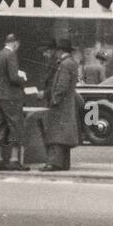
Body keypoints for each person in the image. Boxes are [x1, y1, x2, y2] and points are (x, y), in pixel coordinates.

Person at [0, 33, 29, 171]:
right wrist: (22, 78)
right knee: (15, 126)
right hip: (12, 97)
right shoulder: (11, 55)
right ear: (15, 43)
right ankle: (14, 159)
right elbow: (13, 77)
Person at [40, 39, 82, 172]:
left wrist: (54, 99)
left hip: (60, 105)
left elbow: (61, 86)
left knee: (56, 134)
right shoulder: (72, 63)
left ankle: (53, 163)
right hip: (68, 103)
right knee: (64, 135)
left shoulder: (64, 64)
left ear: (60, 51)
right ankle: (64, 163)